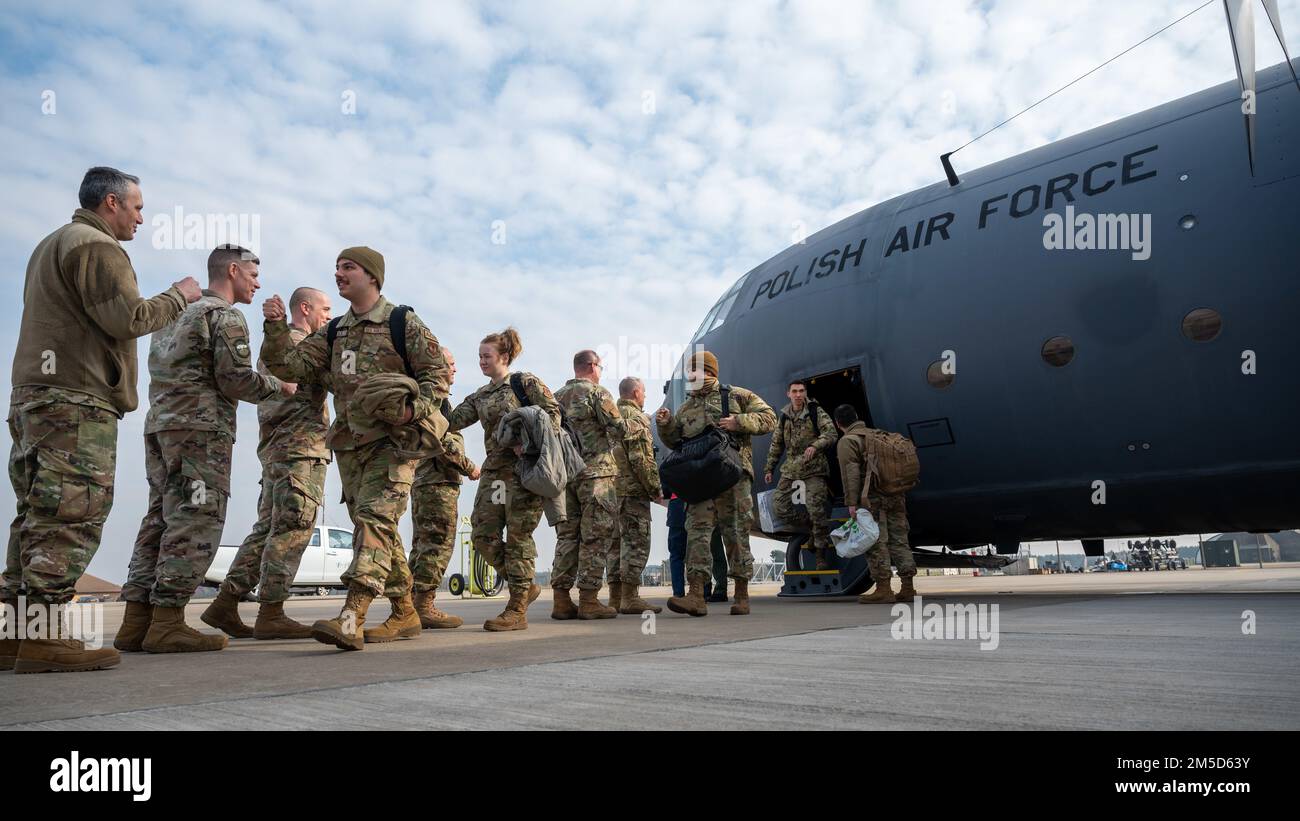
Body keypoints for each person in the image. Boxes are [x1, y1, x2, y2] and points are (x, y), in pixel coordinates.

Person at [4, 166, 201, 673]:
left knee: (35, 515)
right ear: (110, 203)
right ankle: (46, 637)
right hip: (75, 400)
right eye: (136, 207)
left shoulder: (51, 244)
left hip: (36, 398)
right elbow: (128, 319)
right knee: (72, 511)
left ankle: (15, 634)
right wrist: (179, 295)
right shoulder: (95, 245)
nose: (141, 217)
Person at [260, 246, 451, 650]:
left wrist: (413, 409)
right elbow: (290, 367)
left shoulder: (402, 322)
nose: (339, 273)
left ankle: (352, 615)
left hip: (394, 444)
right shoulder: (333, 332)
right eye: (336, 267)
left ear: (372, 277)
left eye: (348, 267)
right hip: (351, 446)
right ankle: (404, 612)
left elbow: (436, 374)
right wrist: (276, 327)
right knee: (378, 527)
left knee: (374, 521)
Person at [119, 245, 291, 654]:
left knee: (160, 518)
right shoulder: (224, 315)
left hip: (161, 427)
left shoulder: (175, 313)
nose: (257, 282)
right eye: (252, 273)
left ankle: (136, 621)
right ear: (232, 271)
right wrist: (279, 387)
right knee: (196, 519)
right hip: (201, 431)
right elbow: (234, 379)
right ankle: (168, 622)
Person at [201, 286, 333, 640]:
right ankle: (272, 612)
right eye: (326, 309)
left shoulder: (277, 345)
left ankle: (225, 603)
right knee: (294, 528)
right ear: (305, 308)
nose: (329, 317)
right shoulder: (302, 346)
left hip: (277, 451)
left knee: (267, 530)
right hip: (300, 450)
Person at [446, 328, 559, 631]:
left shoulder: (524, 383)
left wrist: (529, 440)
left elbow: (553, 415)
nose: (481, 361)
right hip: (495, 472)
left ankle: (517, 608)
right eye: (479, 356)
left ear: (504, 357)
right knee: (483, 535)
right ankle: (524, 584)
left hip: (525, 470)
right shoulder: (481, 395)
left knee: (519, 535)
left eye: (487, 356)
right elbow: (451, 420)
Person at [656, 350, 776, 616]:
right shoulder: (686, 407)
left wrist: (739, 421)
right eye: (689, 371)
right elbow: (676, 441)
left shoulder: (736, 395)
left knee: (735, 532)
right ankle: (696, 595)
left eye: (694, 371)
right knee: (697, 532)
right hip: (700, 479)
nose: (690, 376)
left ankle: (742, 595)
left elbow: (769, 418)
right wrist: (665, 425)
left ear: (709, 372)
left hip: (732, 475)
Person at [549, 350, 627, 620]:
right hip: (596, 476)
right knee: (595, 537)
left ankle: (561, 600)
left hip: (565, 478)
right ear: (593, 366)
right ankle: (589, 600)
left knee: (567, 537)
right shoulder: (598, 393)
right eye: (600, 367)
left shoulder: (555, 397)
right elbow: (619, 428)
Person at [408, 348, 479, 629]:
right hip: (438, 483)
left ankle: (411, 606)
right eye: (451, 364)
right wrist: (470, 466)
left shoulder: (427, 397)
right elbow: (442, 444)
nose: (455, 370)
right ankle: (424, 606)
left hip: (426, 482)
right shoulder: (435, 400)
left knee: (422, 546)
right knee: (437, 545)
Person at [833, 404, 918, 603]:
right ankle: (908, 587)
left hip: (872, 500)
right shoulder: (879, 436)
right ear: (856, 417)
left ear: (838, 424)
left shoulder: (848, 441)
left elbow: (851, 475)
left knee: (876, 542)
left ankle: (883, 589)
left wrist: (851, 503)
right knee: (900, 540)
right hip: (896, 496)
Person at [764, 380, 837, 569]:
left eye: (801, 391)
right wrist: (769, 468)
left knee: (816, 509)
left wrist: (815, 445)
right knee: (779, 506)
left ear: (805, 393)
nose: (798, 394)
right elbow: (776, 444)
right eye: (794, 391)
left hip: (814, 468)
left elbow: (830, 433)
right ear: (788, 393)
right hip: (791, 468)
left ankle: (821, 554)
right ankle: (811, 527)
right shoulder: (784, 416)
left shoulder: (815, 412)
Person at [609, 376, 664, 614]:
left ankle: (614, 598)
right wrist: (655, 489)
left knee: (614, 545)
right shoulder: (637, 419)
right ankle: (630, 597)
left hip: (609, 492)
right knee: (635, 543)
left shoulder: (608, 415)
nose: (645, 398)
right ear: (636, 393)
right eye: (644, 393)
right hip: (632, 492)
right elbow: (642, 459)